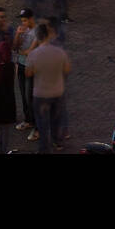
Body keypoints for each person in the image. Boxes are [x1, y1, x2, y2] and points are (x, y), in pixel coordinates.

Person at [25, 20, 70, 153]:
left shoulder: (34, 54)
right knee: (56, 119)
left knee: (42, 123)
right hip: (57, 91)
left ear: (38, 37)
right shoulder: (59, 52)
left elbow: (28, 73)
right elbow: (67, 69)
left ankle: (44, 148)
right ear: (48, 36)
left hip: (41, 94)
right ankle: (58, 142)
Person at [13, 9, 38, 137]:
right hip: (21, 65)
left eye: (25, 20)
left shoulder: (37, 32)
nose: (23, 23)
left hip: (31, 67)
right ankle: (28, 120)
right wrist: (17, 34)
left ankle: (34, 121)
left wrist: (21, 52)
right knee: (23, 95)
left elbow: (30, 51)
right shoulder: (23, 30)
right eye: (22, 20)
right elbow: (15, 47)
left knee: (29, 96)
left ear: (31, 19)